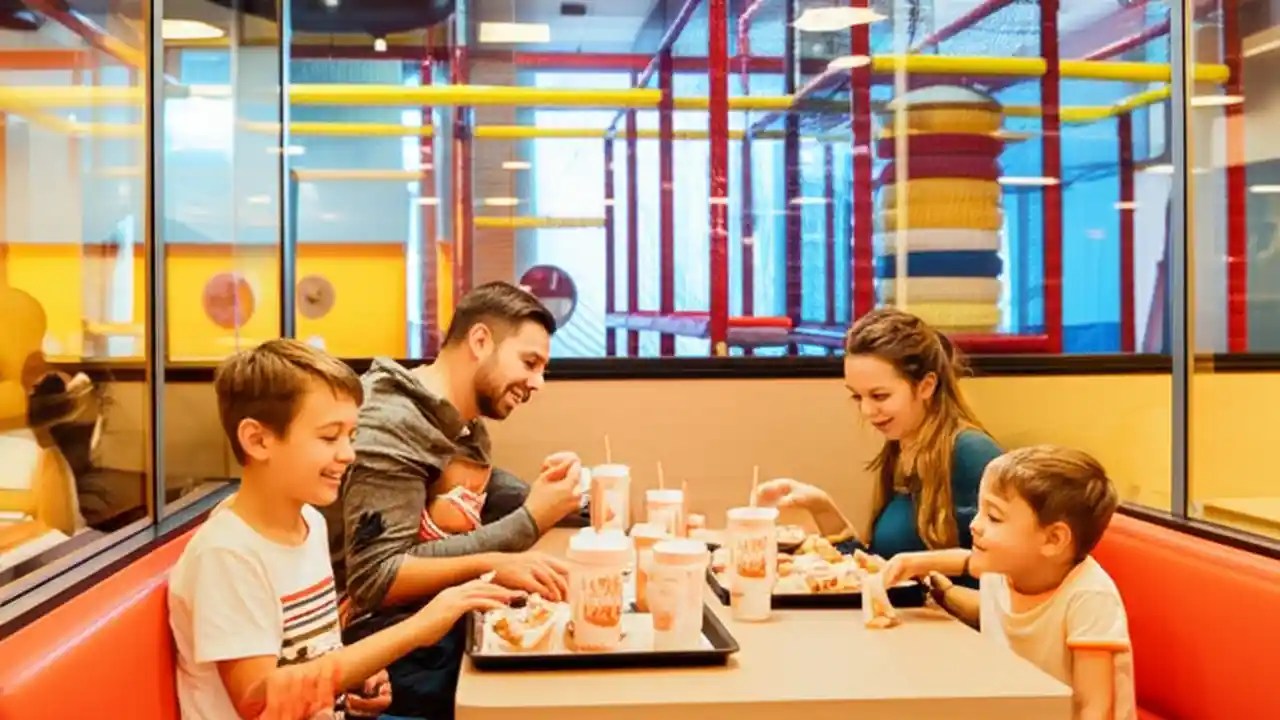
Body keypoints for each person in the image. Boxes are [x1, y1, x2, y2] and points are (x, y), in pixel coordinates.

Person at [167, 339, 519, 720]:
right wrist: (420, 627)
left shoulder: (311, 523)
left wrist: (354, 685)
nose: (348, 454)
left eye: (350, 437)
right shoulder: (226, 554)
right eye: (329, 437)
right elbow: (260, 700)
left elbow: (315, 660)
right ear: (258, 440)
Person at [333, 281, 585, 719]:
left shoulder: (459, 419)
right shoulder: (391, 422)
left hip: (435, 625)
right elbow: (375, 578)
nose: (538, 382)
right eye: (530, 363)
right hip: (384, 652)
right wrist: (529, 520)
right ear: (480, 340)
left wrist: (555, 492)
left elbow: (465, 487)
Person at [880, 445, 1135, 720]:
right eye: (979, 511)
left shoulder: (1088, 597)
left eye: (993, 517)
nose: (975, 525)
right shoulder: (1005, 566)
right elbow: (965, 561)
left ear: (1053, 539)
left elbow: (1094, 707)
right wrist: (914, 563)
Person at [754, 308, 1002, 564]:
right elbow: (878, 563)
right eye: (857, 396)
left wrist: (928, 573)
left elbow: (1008, 567)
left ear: (926, 386)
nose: (867, 411)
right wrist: (821, 506)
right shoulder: (901, 449)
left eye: (879, 396)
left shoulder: (971, 453)